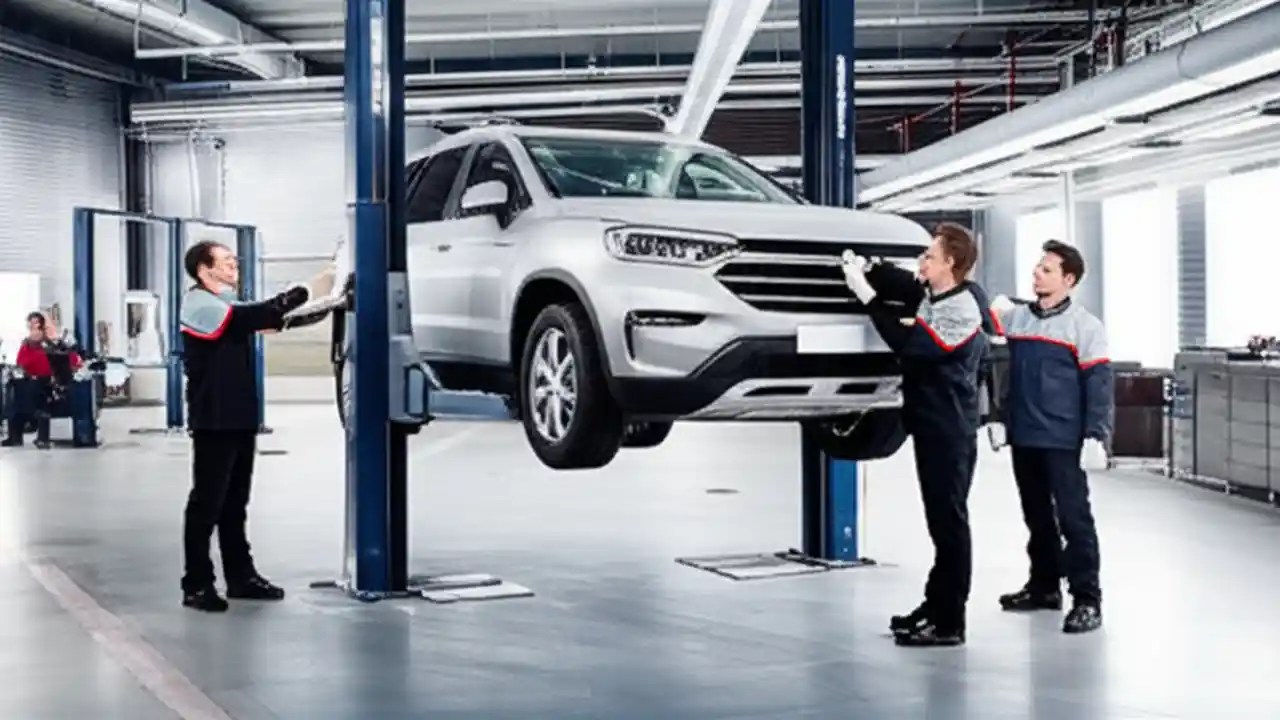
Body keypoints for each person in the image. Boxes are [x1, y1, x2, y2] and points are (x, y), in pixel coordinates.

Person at [842, 223, 993, 647]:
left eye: (929, 256)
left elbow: (906, 343)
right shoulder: (939, 294)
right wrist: (870, 267)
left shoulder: (960, 309)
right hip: (931, 424)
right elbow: (908, 286)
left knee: (949, 525)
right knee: (939, 523)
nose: (922, 262)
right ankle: (935, 604)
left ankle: (950, 622)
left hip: (949, 430)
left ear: (951, 263)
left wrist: (867, 297)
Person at [179, 240, 335, 612]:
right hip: (214, 419)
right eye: (226, 260)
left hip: (238, 417)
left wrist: (332, 300)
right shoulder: (199, 305)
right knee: (206, 505)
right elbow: (263, 313)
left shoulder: (226, 305)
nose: (234, 264)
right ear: (204, 269)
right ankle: (196, 584)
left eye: (234, 259)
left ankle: (241, 577)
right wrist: (310, 287)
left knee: (235, 504)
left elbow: (279, 319)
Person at [989, 239, 1112, 634]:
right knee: (1037, 517)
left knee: (1074, 520)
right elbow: (999, 369)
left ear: (1068, 279)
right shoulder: (1016, 320)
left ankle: (1087, 599)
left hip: (1063, 439)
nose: (1037, 274)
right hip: (1024, 435)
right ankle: (1044, 587)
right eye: (1037, 267)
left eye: (1047, 269)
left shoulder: (1085, 327)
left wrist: (1096, 434)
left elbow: (1099, 383)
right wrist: (996, 417)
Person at [2, 312, 82, 448]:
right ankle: (15, 436)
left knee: (36, 390)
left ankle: (41, 437)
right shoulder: (26, 345)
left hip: (49, 383)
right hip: (30, 381)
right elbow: (21, 364)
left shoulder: (52, 345)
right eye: (31, 325)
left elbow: (70, 362)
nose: (34, 329)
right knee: (14, 388)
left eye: (36, 325)